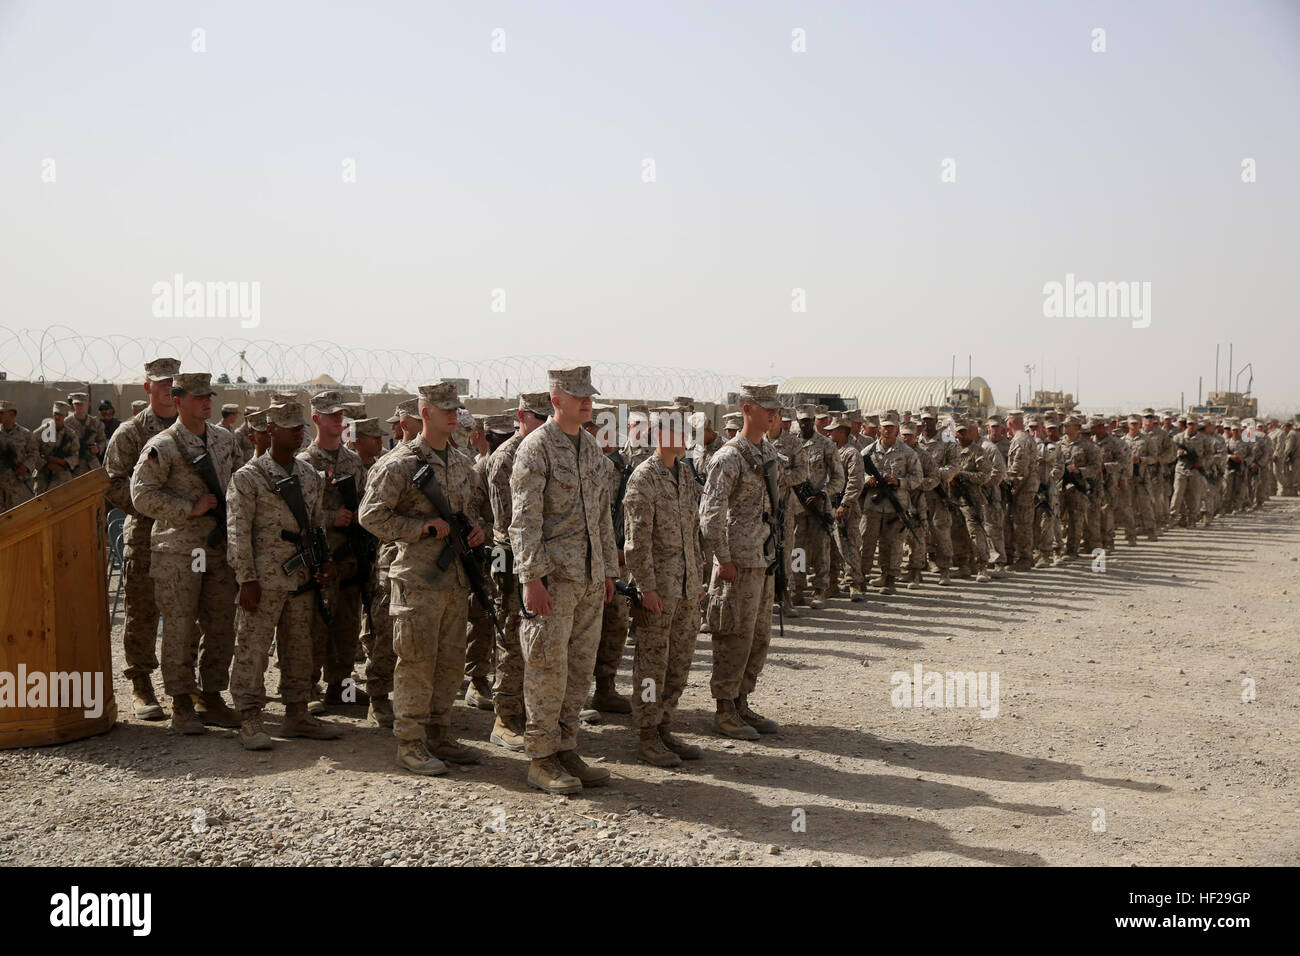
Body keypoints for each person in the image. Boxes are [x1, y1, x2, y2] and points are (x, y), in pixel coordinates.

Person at [359, 382, 488, 775]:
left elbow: (473, 512)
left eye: (456, 408)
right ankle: (410, 741)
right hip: (417, 579)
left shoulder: (464, 463)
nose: (453, 414)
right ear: (425, 411)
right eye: (443, 408)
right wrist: (422, 528)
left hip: (455, 579)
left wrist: (478, 529)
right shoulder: (400, 463)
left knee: (449, 662)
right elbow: (371, 516)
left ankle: (439, 731)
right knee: (415, 660)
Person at [509, 367, 619, 795]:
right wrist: (531, 578)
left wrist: (609, 570)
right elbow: (525, 519)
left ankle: (567, 746)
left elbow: (603, 518)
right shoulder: (535, 449)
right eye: (577, 396)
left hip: (589, 578)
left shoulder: (591, 448)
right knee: (546, 666)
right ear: (556, 400)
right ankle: (540, 757)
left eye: (589, 395)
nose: (586, 402)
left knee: (578, 669)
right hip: (554, 579)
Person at [129, 372, 241, 733]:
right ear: (177, 401)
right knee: (179, 626)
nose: (206, 402)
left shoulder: (225, 440)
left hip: (220, 548)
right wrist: (188, 507)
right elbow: (141, 494)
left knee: (221, 623)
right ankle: (180, 701)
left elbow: (239, 483)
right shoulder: (163, 445)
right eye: (197, 397)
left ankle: (210, 696)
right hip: (179, 550)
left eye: (208, 396)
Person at [227, 402, 343, 750]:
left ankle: (298, 713)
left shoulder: (309, 475)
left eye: (299, 425)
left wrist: (324, 562)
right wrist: (246, 579)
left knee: (299, 648)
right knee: (252, 649)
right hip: (263, 580)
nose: (297, 431)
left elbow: (316, 524)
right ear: (270, 430)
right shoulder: (249, 477)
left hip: (301, 577)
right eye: (288, 425)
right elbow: (237, 533)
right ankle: (249, 717)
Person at [700, 383, 784, 739]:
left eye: (775, 409)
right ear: (747, 409)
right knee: (733, 634)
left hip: (762, 559)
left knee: (758, 636)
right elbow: (710, 515)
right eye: (767, 408)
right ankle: (724, 709)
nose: (774, 414)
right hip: (737, 561)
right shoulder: (729, 457)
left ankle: (741, 701)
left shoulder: (767, 453)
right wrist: (723, 559)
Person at [623, 404, 704, 767]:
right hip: (658, 589)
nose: (685, 435)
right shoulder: (644, 477)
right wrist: (646, 587)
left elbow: (693, 532)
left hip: (686, 587)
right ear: (660, 434)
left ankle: (665, 726)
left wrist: (699, 578)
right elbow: (636, 541)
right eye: (677, 429)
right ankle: (646, 732)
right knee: (651, 665)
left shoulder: (685, 475)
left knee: (679, 662)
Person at [103, 357, 180, 719]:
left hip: (186, 536)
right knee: (143, 611)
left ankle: (185, 687)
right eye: (160, 382)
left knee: (188, 611)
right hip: (146, 535)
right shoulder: (131, 432)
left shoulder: (191, 428)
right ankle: (141, 683)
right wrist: (156, 505)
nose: (167, 388)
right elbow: (113, 484)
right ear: (147, 386)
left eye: (172, 382)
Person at [484, 391, 551, 752]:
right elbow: (513, 522)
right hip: (510, 559)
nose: (543, 423)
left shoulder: (545, 449)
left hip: (539, 560)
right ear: (521, 415)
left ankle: (529, 712)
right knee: (511, 637)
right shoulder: (506, 458)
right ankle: (505, 718)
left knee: (536, 640)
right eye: (537, 416)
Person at [298, 390, 371, 715]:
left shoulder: (353, 461)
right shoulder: (305, 463)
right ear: (316, 419)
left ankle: (340, 687)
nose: (338, 421)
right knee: (315, 626)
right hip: (318, 559)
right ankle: (309, 686)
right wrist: (331, 518)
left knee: (347, 624)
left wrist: (358, 517)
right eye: (331, 416)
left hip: (349, 559)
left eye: (340, 415)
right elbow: (295, 513)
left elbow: (366, 501)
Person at [859, 411, 923, 595]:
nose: (887, 430)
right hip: (872, 505)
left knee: (893, 543)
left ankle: (890, 578)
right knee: (866, 542)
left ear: (897, 429)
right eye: (884, 427)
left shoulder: (907, 452)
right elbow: (856, 474)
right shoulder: (868, 452)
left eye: (891, 427)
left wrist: (899, 482)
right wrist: (866, 479)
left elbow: (917, 478)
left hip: (896, 505)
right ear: (879, 429)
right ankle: (861, 578)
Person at [791, 403, 844, 604]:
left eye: (808, 420)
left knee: (821, 548)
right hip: (796, 507)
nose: (804, 424)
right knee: (797, 549)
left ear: (814, 421)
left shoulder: (827, 445)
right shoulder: (791, 445)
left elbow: (839, 479)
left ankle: (820, 589)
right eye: (801, 420)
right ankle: (797, 588)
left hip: (818, 507)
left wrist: (823, 494)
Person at [827, 414, 866, 600]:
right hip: (830, 506)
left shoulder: (852, 453)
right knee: (831, 548)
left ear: (842, 432)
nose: (829, 434)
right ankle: (832, 582)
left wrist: (845, 504)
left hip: (846, 507)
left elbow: (856, 482)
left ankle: (854, 584)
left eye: (832, 430)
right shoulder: (831, 451)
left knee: (848, 545)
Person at [0, 399, 38, 511]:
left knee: (16, 514)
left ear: (12, 414)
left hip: (16, 482)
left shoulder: (25, 433)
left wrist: (26, 466)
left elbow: (34, 452)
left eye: (2, 413)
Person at [36, 401, 80, 492]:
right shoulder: (41, 432)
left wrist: (63, 462)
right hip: (43, 477)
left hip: (62, 477)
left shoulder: (71, 435)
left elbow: (75, 455)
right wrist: (46, 464)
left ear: (66, 415)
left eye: (60, 414)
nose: (57, 417)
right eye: (55, 414)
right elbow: (32, 452)